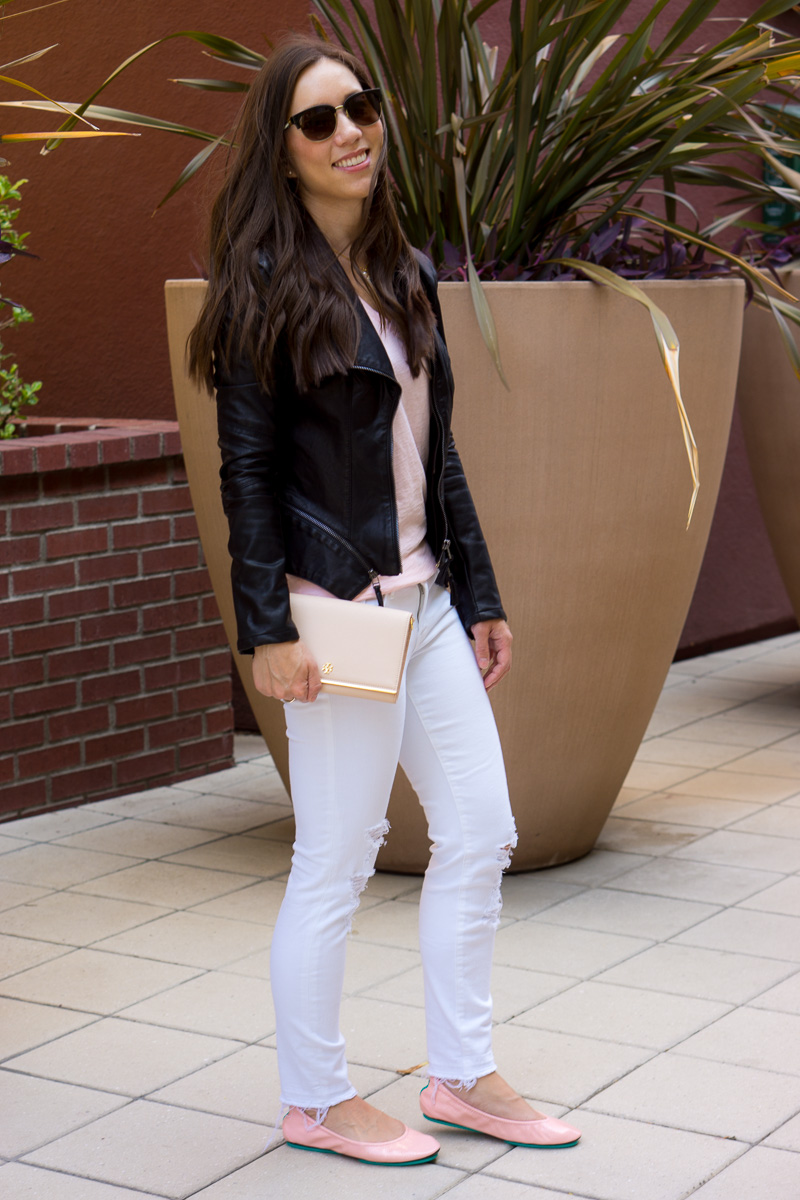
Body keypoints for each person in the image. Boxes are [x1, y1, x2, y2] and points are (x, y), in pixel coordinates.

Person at [189, 35, 581, 1167]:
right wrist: (264, 628)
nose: (350, 131)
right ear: (282, 148)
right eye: (319, 120)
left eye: (359, 107)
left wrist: (484, 589)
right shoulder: (262, 289)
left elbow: (433, 453)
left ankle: (460, 1075)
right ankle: (314, 1098)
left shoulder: (401, 269)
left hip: (430, 598)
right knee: (338, 855)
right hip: (337, 611)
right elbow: (246, 477)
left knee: (479, 832)